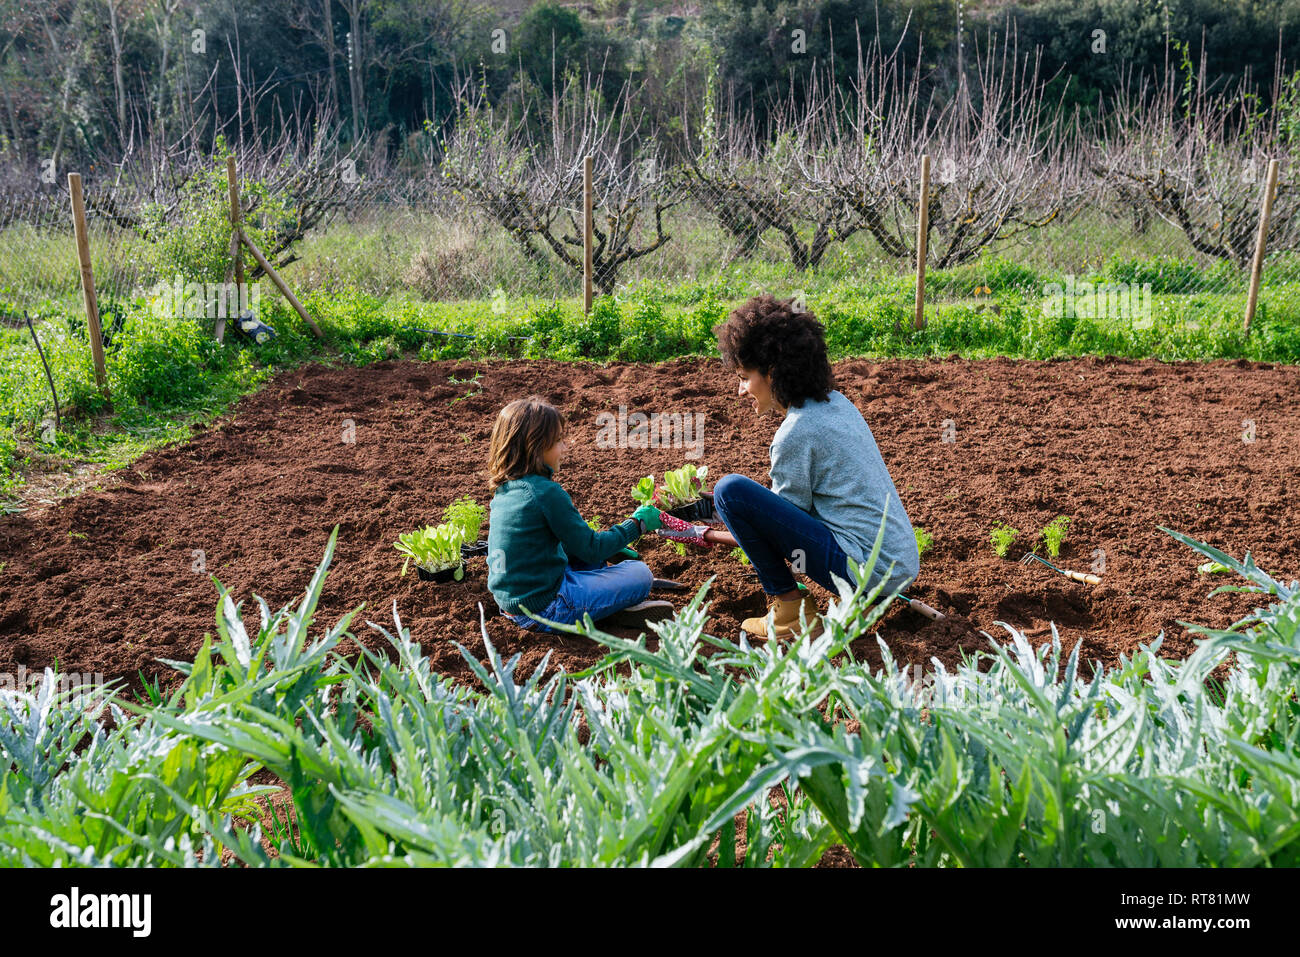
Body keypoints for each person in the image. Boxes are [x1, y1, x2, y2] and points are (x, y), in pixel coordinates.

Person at [701, 295, 920, 640]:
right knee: (736, 500)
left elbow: (778, 532)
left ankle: (789, 609)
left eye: (744, 377)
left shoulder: (795, 433)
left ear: (771, 373)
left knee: (729, 491)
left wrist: (710, 531)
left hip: (866, 572)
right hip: (899, 564)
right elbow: (793, 517)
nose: (740, 390)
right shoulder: (837, 403)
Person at [486, 395, 674, 632]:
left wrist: (611, 546)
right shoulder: (544, 492)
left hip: (513, 603)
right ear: (534, 447)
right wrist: (637, 524)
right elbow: (592, 547)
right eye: (557, 441)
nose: (564, 448)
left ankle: (605, 606)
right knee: (640, 575)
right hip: (547, 608)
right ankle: (606, 610)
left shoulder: (504, 491)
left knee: (590, 557)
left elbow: (555, 547)